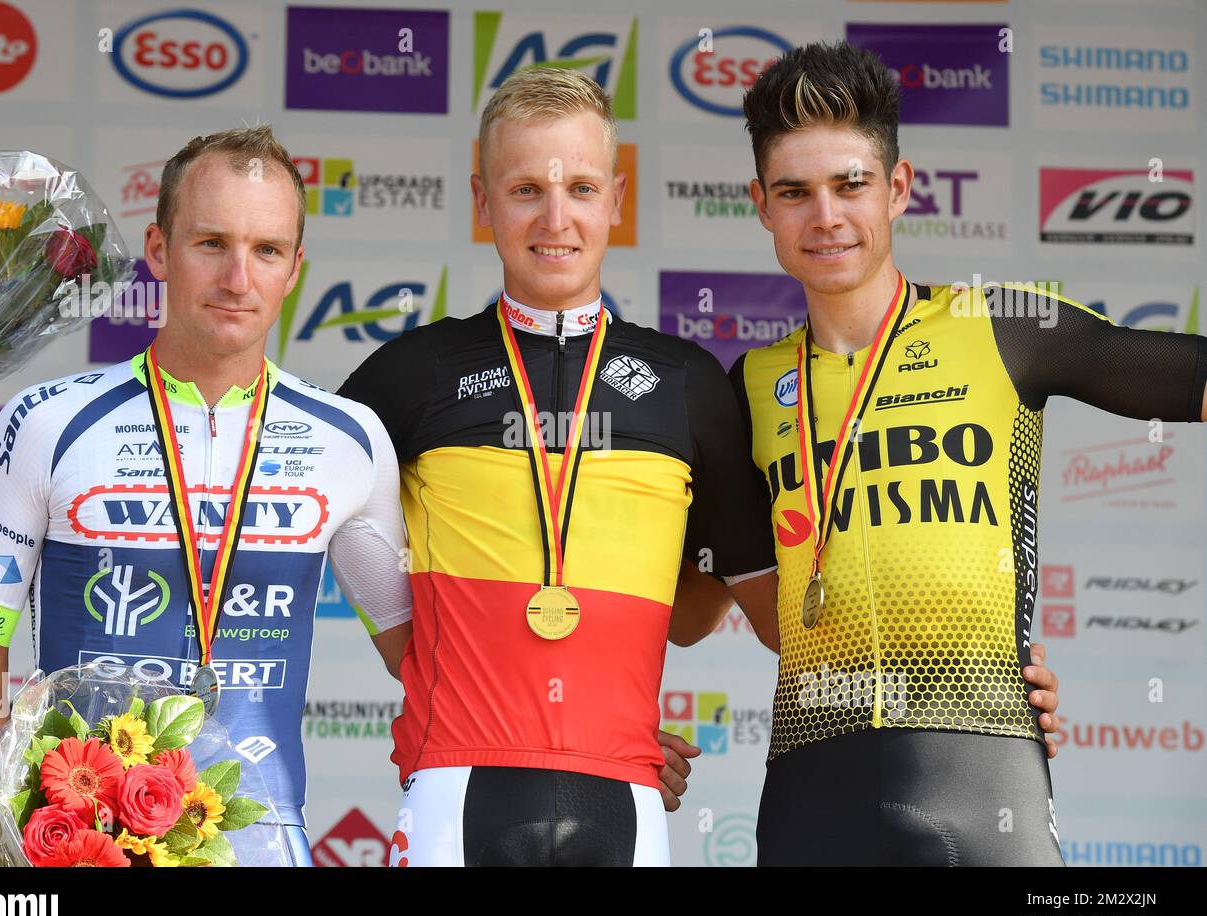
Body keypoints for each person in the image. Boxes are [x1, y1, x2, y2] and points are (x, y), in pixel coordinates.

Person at [335, 68, 1060, 867]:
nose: (555, 217)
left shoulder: (690, 385)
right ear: (482, 201)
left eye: (580, 187)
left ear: (617, 198)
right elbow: (307, 506)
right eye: (524, 190)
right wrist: (439, 673)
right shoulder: (415, 371)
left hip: (624, 793)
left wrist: (982, 676)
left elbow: (782, 621)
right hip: (453, 787)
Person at [723, 41, 1207, 865]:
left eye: (851, 185)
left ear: (899, 187)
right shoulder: (751, 384)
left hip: (983, 780)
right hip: (811, 791)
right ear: (761, 205)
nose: (827, 216)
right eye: (795, 192)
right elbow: (776, 618)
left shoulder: (1006, 329)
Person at [0, 127, 413, 867]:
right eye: (211, 243)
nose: (238, 278)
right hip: (77, 852)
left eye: (267, 250)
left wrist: (613, 731)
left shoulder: (349, 441)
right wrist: (2, 849)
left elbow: (428, 663)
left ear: (295, 268)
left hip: (265, 847)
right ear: (158, 250)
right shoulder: (45, 422)